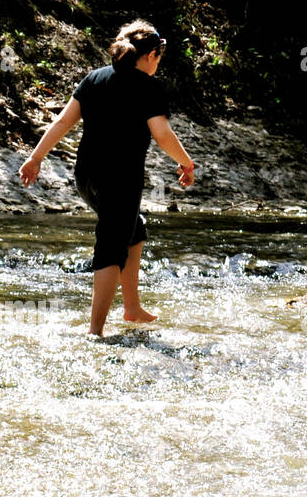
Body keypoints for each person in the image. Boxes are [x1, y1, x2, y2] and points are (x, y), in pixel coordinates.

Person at [18, 20, 196, 336]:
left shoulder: (95, 78)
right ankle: (95, 331)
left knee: (133, 228)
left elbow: (62, 122)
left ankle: (132, 308)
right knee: (112, 245)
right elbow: (162, 134)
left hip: (86, 175)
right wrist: (186, 163)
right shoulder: (149, 87)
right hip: (120, 179)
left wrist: (35, 158)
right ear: (153, 54)